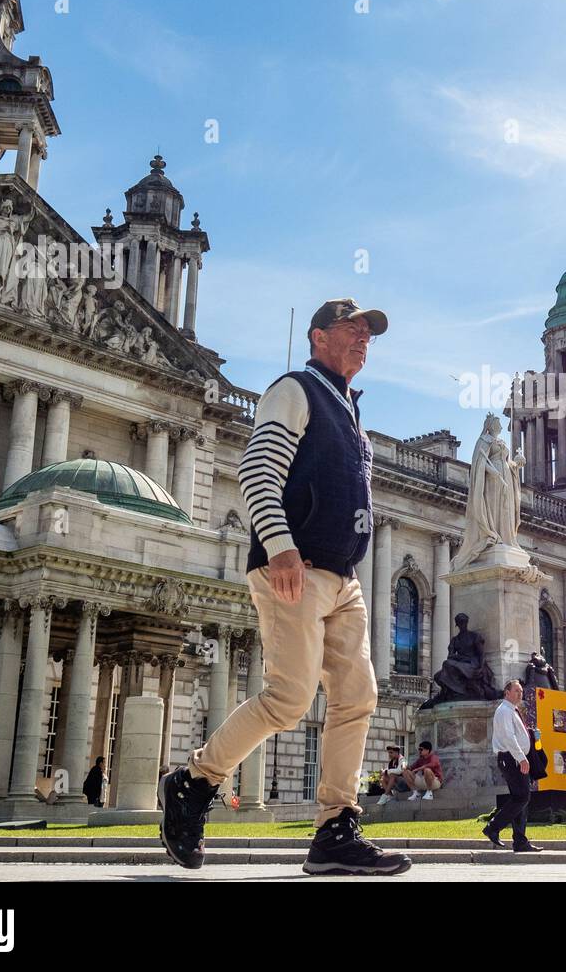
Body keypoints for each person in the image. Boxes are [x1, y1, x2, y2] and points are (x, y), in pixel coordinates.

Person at [158, 298, 410, 877]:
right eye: (352, 329)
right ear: (319, 336)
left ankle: (334, 829)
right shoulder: (295, 390)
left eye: (369, 333)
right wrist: (281, 547)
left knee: (357, 698)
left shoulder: (349, 409)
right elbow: (256, 471)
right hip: (293, 568)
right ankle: (194, 781)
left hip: (343, 579)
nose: (363, 339)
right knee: (290, 698)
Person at [481, 680, 541, 853]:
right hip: (511, 758)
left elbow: (515, 735)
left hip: (514, 758)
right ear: (507, 692)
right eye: (516, 691)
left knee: (521, 799)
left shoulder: (512, 711)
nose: (520, 694)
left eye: (521, 691)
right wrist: (522, 758)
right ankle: (493, 827)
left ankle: (520, 842)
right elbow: (508, 737)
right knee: (522, 797)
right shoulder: (504, 711)